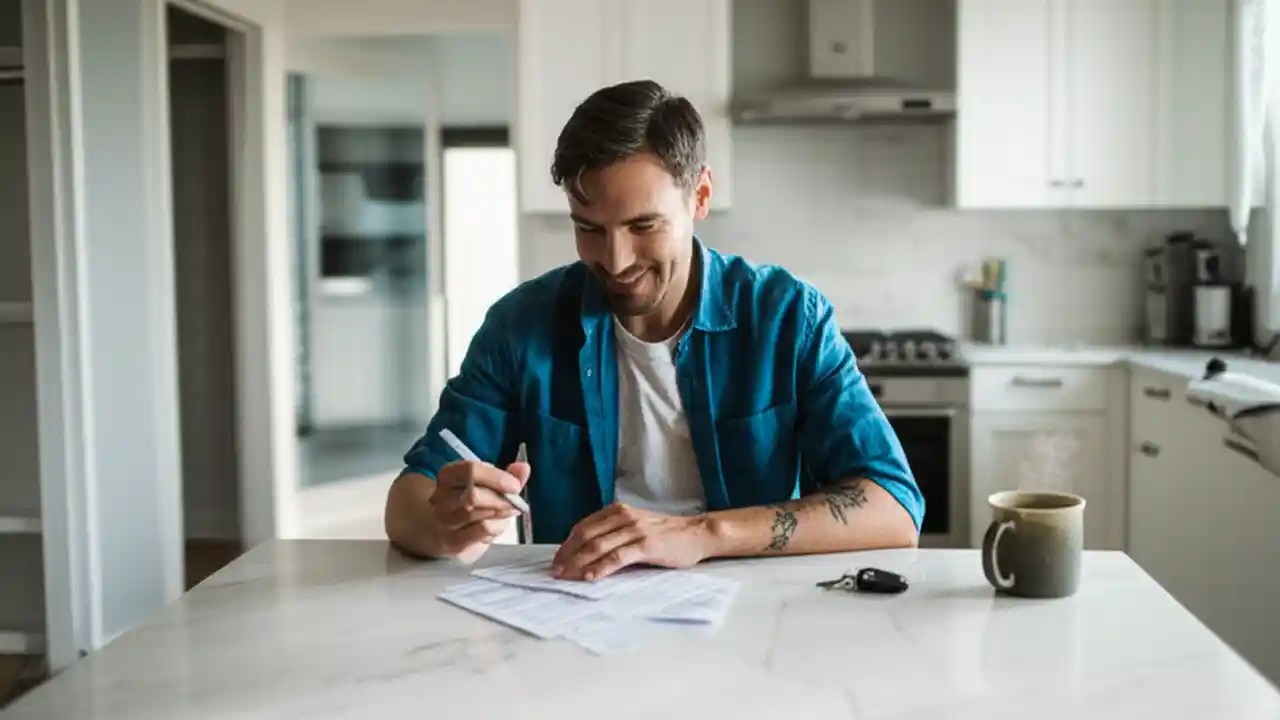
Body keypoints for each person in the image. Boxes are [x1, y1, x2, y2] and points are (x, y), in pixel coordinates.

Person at [385, 79, 922, 581]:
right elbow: (408, 500)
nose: (615, 260)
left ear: (700, 197)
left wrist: (702, 534)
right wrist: (446, 521)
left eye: (643, 226)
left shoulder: (787, 317)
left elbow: (894, 508)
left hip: (751, 619)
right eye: (588, 228)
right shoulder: (521, 324)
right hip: (576, 608)